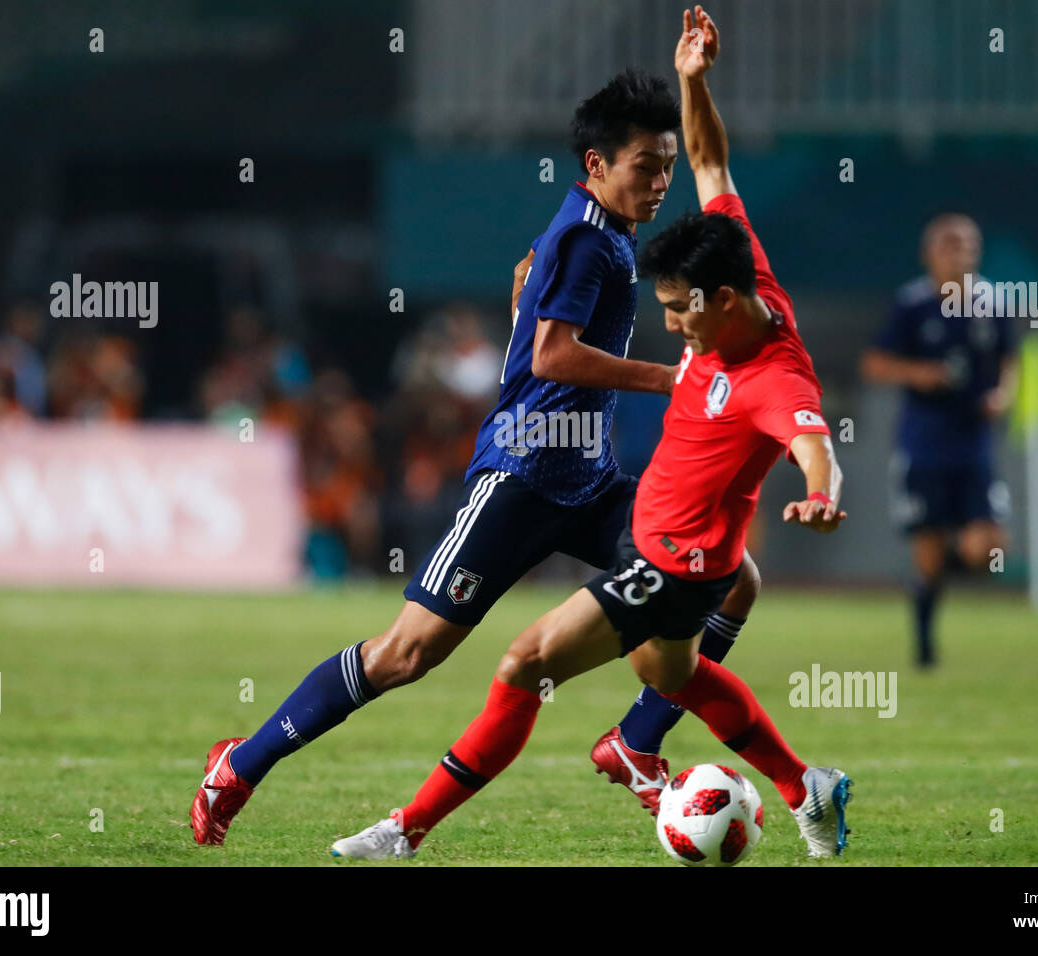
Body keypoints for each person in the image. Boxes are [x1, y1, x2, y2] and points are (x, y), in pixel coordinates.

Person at [331, 6, 852, 862]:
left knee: (523, 663)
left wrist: (822, 495)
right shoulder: (739, 262)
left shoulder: (772, 376)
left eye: (681, 313)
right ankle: (801, 786)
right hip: (666, 542)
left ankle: (403, 833)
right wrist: (693, 81)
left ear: (722, 305)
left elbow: (811, 440)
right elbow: (714, 159)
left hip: (671, 561)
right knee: (674, 676)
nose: (674, 328)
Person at [191, 65, 763, 845]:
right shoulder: (584, 241)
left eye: (669, 165)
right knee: (406, 655)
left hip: (587, 482)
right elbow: (556, 356)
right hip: (522, 479)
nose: (663, 181)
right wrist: (673, 378)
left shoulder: (603, 235)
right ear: (597, 164)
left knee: (728, 576)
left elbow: (535, 301)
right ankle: (239, 765)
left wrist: (529, 301)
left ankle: (637, 741)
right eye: (646, 166)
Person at [860, 213, 1016, 667]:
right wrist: (919, 373)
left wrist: (1003, 395)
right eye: (950, 243)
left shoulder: (994, 302)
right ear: (930, 253)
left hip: (975, 444)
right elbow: (874, 363)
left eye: (968, 243)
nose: (960, 251)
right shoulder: (912, 304)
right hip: (924, 444)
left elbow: (1010, 359)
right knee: (926, 559)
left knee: (987, 551)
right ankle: (925, 644)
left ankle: (952, 549)